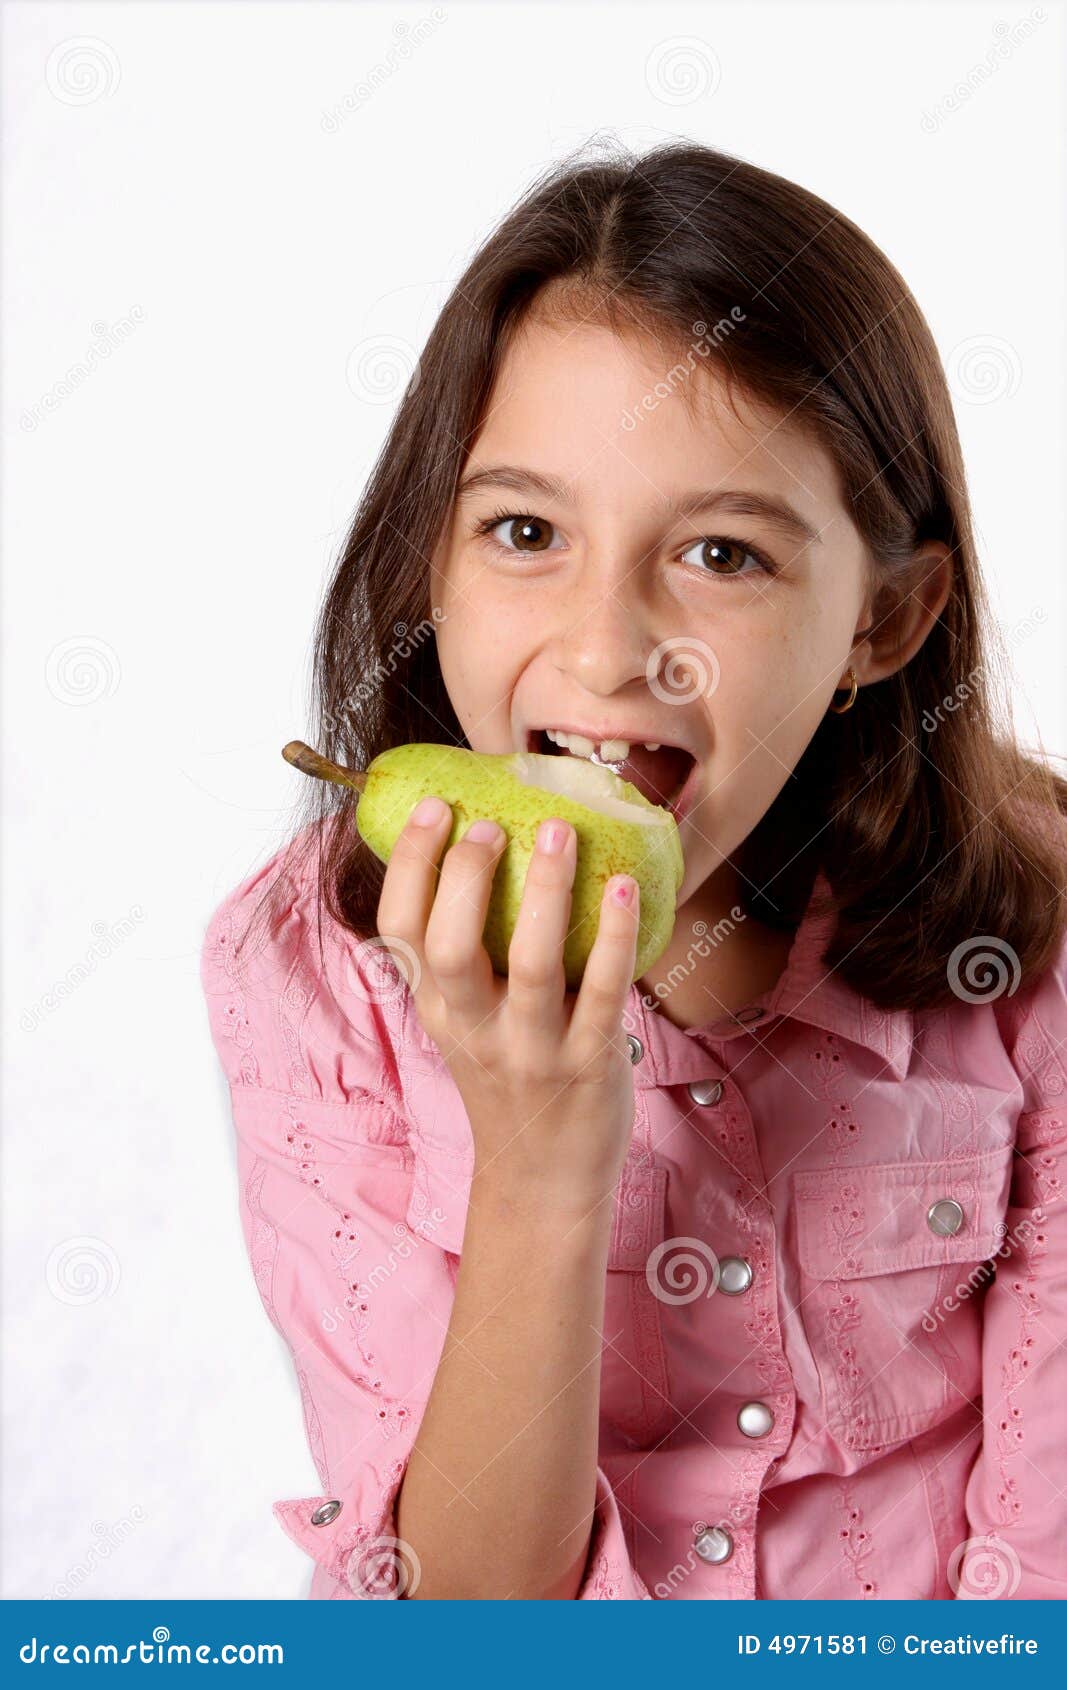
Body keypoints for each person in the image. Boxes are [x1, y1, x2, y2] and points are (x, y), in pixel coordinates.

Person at [200, 140, 1067, 1600]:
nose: (608, 648)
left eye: (723, 554)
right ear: (432, 557)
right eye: (525, 531)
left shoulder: (1032, 925)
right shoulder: (312, 975)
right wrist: (539, 1158)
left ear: (888, 623)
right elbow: (463, 1625)